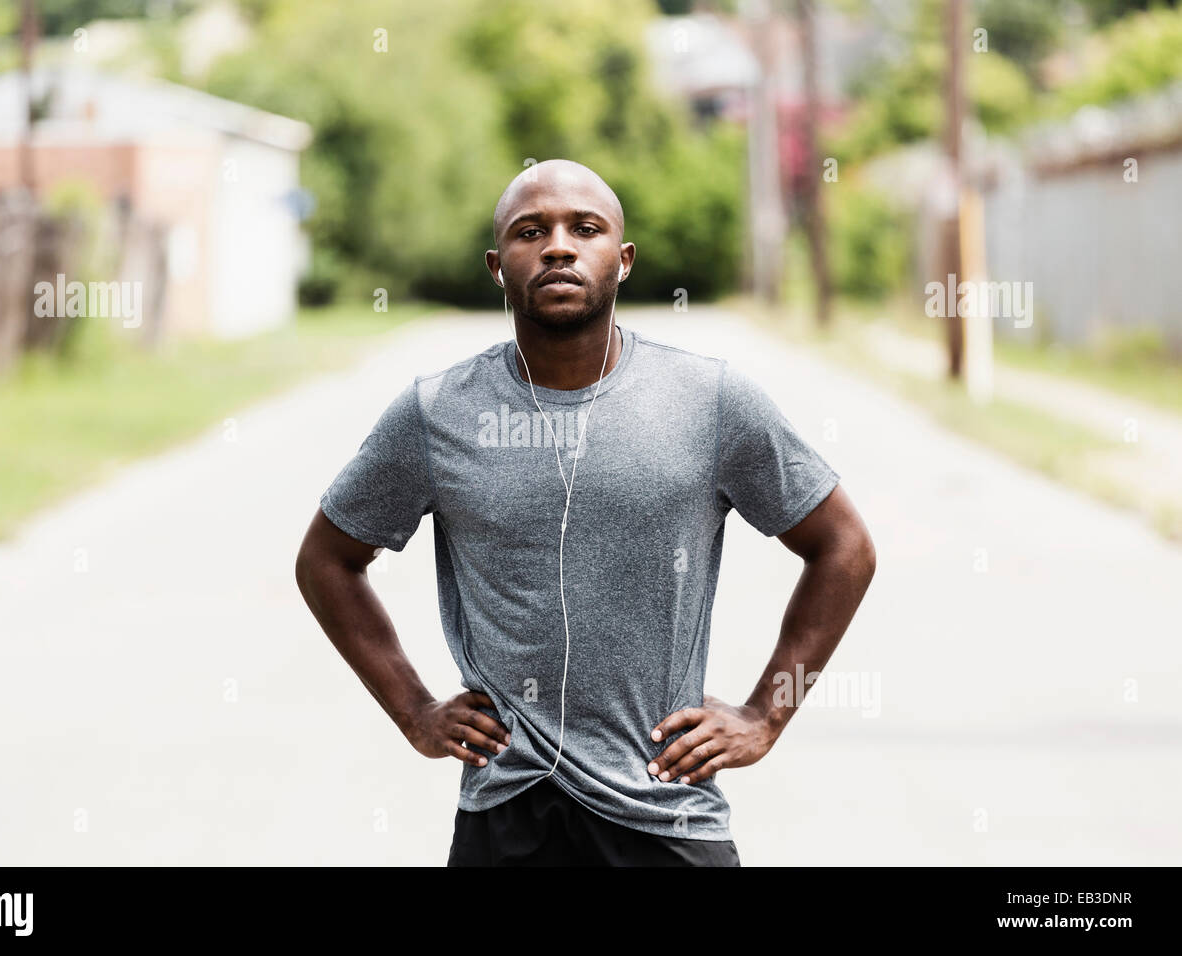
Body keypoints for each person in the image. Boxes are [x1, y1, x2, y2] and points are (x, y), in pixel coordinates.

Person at [294, 159, 877, 866]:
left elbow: (844, 546)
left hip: (666, 811)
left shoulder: (709, 402)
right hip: (507, 815)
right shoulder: (438, 413)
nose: (559, 246)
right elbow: (326, 560)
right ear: (496, 265)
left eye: (586, 228)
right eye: (530, 231)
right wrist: (414, 710)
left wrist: (764, 716)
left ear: (623, 260)